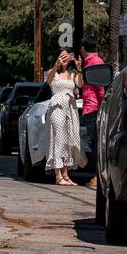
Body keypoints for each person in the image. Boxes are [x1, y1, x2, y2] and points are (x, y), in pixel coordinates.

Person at [44, 50, 87, 185]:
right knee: (59, 138)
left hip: (71, 107)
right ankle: (58, 175)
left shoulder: (73, 74)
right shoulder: (53, 72)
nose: (64, 57)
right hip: (57, 106)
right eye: (61, 55)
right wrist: (57, 65)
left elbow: (80, 85)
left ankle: (66, 175)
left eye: (66, 55)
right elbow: (48, 81)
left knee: (70, 138)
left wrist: (80, 70)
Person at [78, 36, 106, 188]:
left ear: (83, 48)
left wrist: (102, 108)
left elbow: (100, 88)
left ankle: (97, 177)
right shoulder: (87, 63)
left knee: (94, 143)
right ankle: (95, 176)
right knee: (92, 142)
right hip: (90, 106)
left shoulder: (95, 62)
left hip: (94, 107)